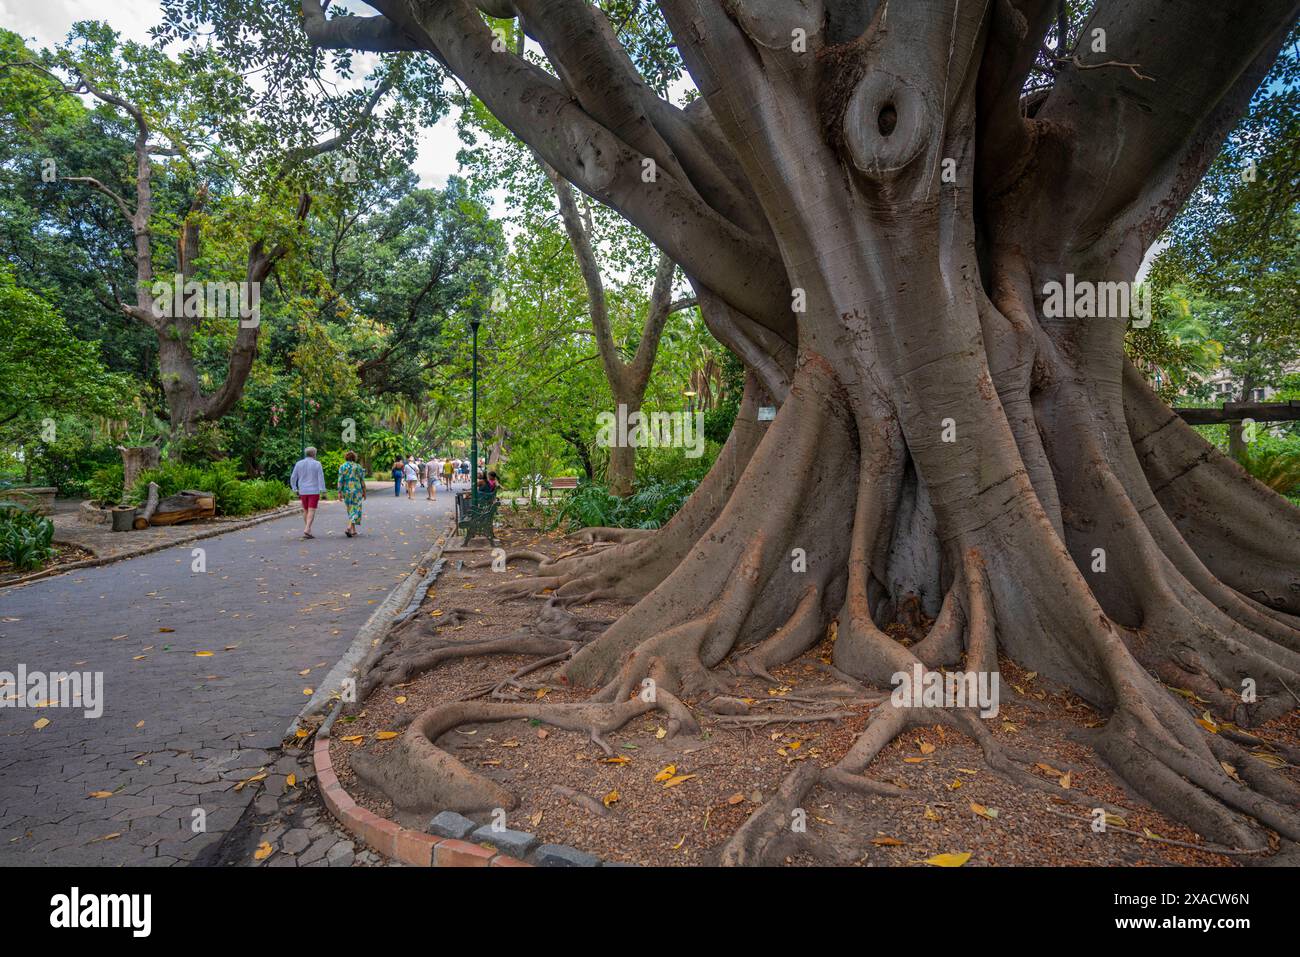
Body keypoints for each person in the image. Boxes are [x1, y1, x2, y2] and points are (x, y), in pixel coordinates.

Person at [289, 446, 326, 539]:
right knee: (311, 510)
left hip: (303, 491)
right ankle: (307, 528)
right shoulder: (317, 464)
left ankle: (308, 530)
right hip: (313, 490)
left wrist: (294, 488)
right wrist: (323, 491)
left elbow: (293, 477)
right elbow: (320, 478)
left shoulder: (299, 463)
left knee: (306, 510)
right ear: (314, 454)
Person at [337, 450, 367, 537]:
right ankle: (349, 527)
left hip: (346, 490)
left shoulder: (342, 467)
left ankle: (353, 530)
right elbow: (362, 480)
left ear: (346, 457)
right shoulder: (358, 467)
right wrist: (364, 491)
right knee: (356, 508)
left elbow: (340, 480)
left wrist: (339, 492)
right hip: (357, 490)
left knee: (350, 509)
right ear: (354, 458)